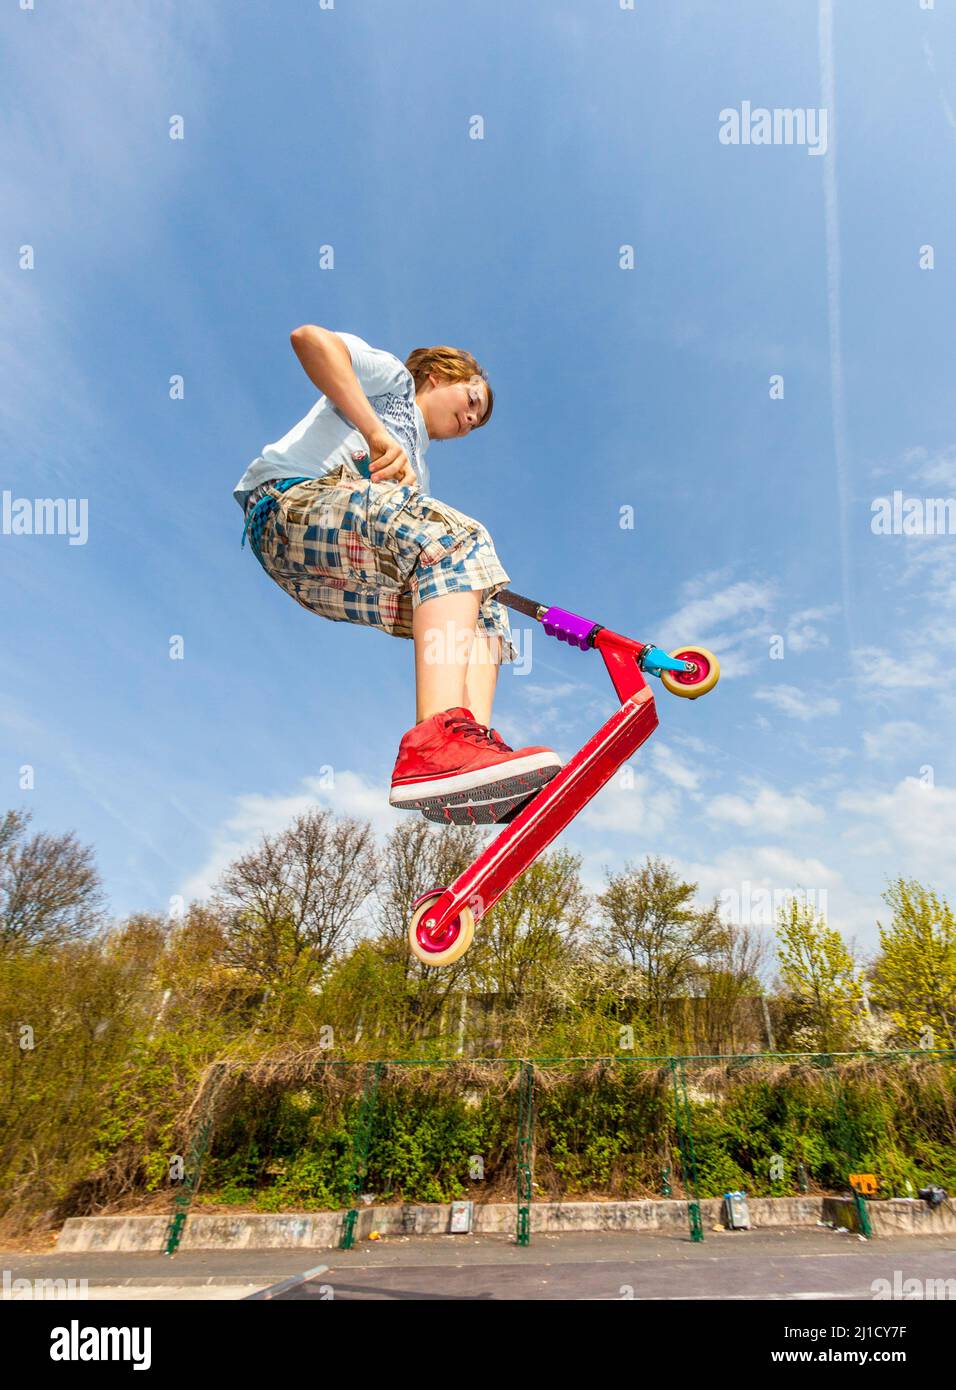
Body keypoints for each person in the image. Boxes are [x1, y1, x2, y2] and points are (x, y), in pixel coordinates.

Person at [234, 326, 562, 823]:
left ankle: (468, 758)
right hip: (289, 506)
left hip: (324, 572)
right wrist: (373, 428)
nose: (471, 419)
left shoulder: (419, 471)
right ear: (439, 375)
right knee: (460, 538)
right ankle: (437, 739)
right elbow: (309, 340)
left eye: (477, 421)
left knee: (484, 603)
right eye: (473, 400)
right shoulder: (394, 384)